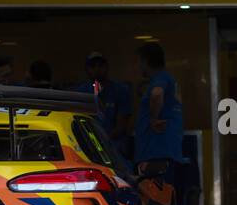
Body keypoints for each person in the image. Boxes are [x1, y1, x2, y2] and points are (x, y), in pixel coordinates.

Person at [133, 42, 184, 181]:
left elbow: (157, 93)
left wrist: (153, 119)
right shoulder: (169, 80)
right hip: (163, 153)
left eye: (139, 61)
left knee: (156, 197)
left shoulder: (160, 79)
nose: (138, 66)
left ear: (146, 61)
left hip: (156, 153)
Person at [74, 52, 132, 153]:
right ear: (87, 69)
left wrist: (103, 141)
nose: (97, 69)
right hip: (89, 146)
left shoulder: (120, 90)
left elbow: (122, 125)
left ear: (107, 67)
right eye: (93, 66)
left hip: (115, 148)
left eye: (101, 65)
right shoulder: (81, 92)